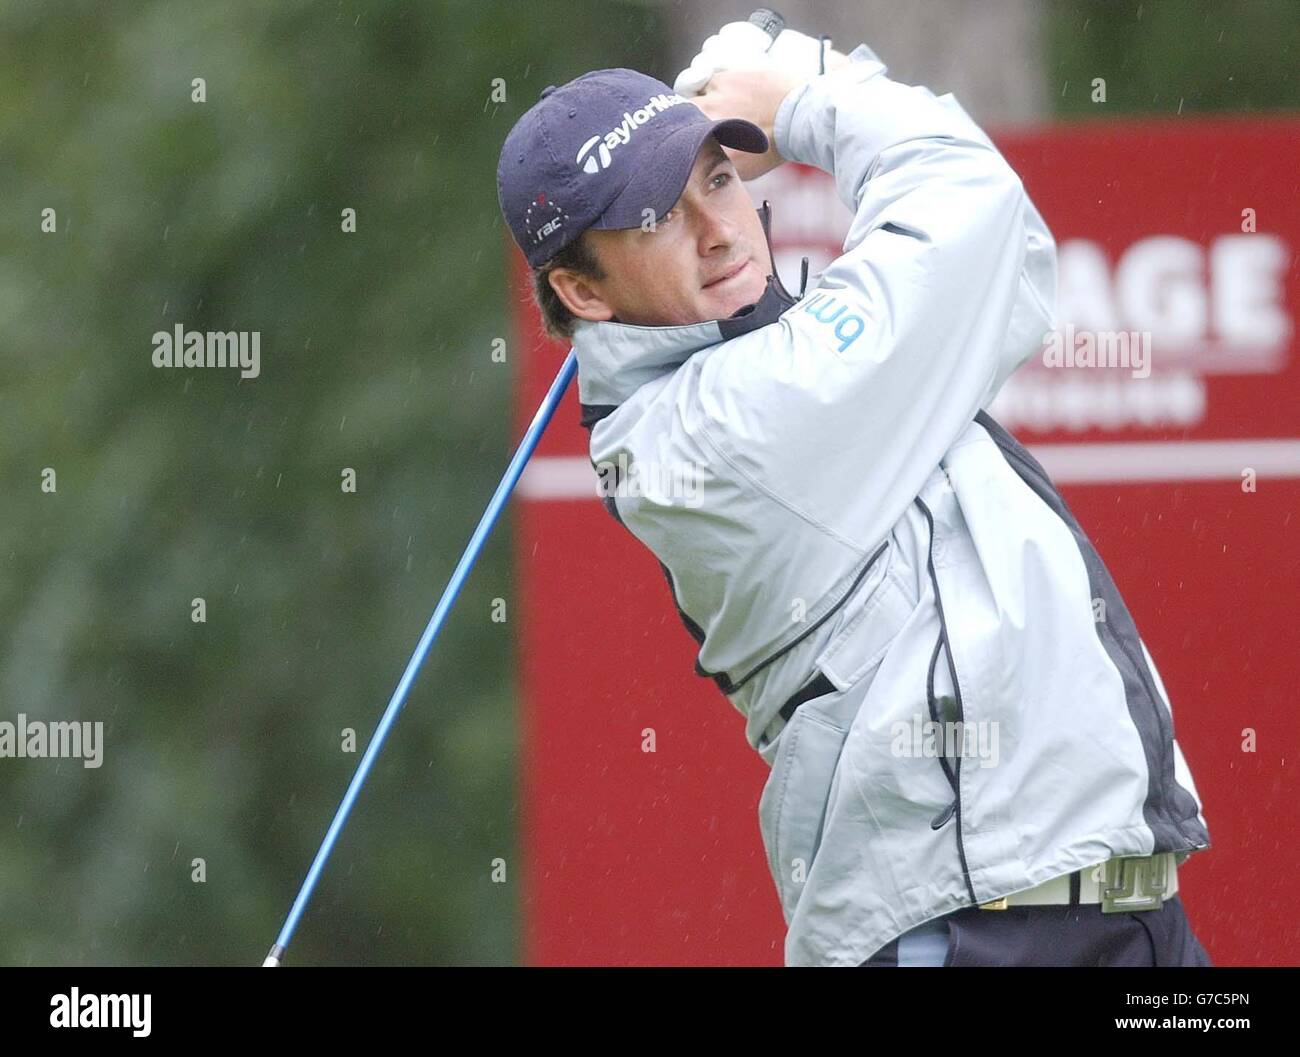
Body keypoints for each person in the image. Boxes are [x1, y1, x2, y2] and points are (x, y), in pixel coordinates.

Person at [495, 19, 1213, 967]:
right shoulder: (715, 434)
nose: (718, 229)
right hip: (963, 935)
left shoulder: (763, 363)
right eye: (656, 218)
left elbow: (1007, 260)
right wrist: (807, 89)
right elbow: (974, 209)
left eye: (717, 179)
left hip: (1125, 911)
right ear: (583, 293)